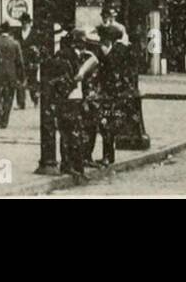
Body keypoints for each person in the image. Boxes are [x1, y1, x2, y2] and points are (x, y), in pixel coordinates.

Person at [56, 29, 100, 180]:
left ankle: (68, 164)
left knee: (67, 133)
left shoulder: (67, 55)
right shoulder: (72, 57)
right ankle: (74, 166)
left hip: (69, 98)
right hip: (72, 97)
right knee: (74, 133)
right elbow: (73, 78)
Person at [95, 25, 135, 166]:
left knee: (108, 124)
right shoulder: (112, 52)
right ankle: (108, 155)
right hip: (108, 93)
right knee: (106, 124)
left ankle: (108, 155)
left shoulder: (117, 53)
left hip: (114, 94)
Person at [0, 23, 25, 128]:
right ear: (10, 31)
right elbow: (19, 62)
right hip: (11, 75)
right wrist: (21, 77)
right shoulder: (15, 44)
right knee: (9, 97)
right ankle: (5, 120)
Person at [15, 14, 41, 109]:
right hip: (20, 60)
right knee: (20, 81)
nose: (24, 24)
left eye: (26, 22)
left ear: (29, 23)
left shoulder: (35, 34)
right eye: (22, 22)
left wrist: (36, 59)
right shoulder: (17, 33)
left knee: (32, 82)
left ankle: (35, 100)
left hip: (31, 61)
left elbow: (38, 48)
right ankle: (21, 103)